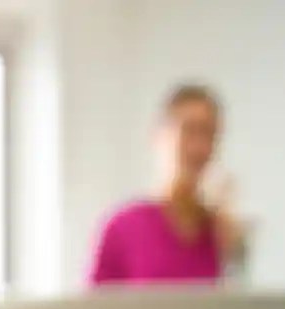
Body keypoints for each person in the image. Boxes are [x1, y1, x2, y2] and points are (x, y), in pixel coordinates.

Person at [88, 84, 244, 287]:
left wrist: (232, 249)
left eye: (209, 134)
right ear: (159, 135)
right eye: (189, 130)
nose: (199, 147)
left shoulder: (219, 231)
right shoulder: (122, 228)